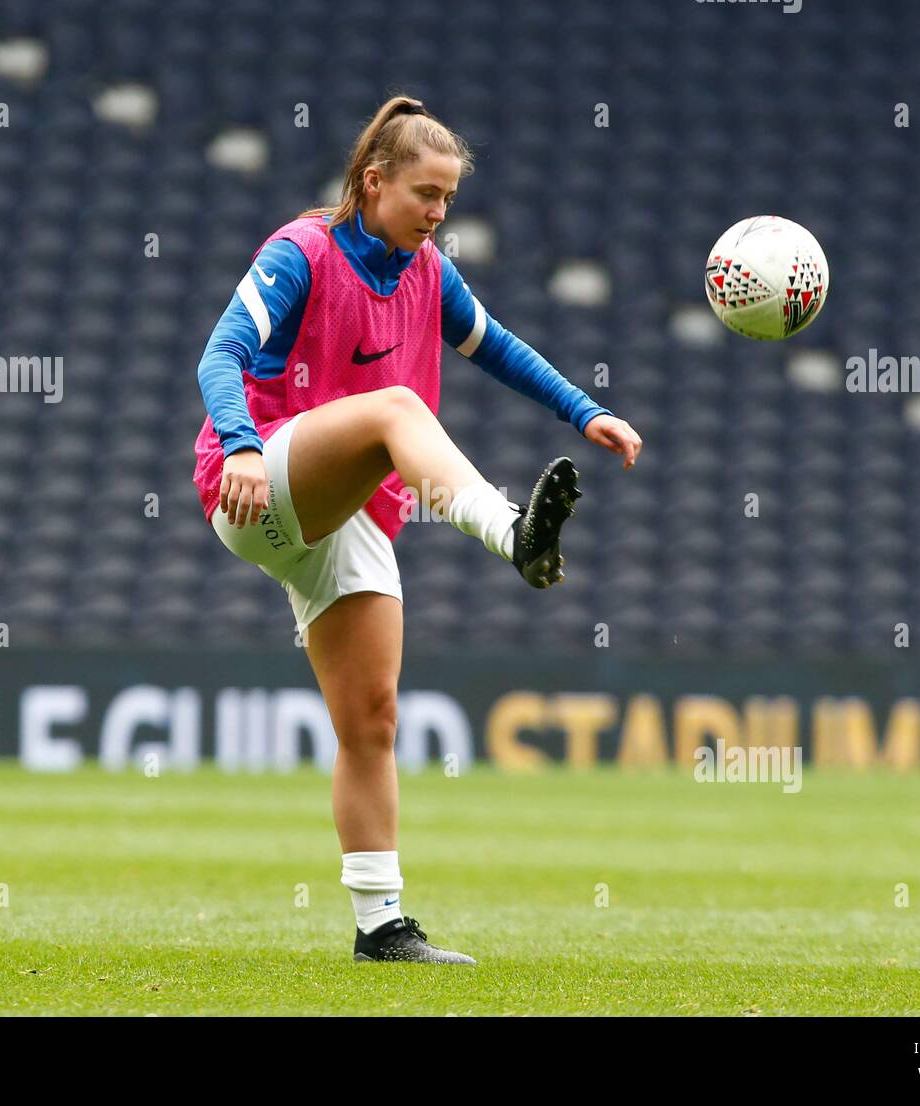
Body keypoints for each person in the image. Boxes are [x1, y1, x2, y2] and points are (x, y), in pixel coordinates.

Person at [193, 94, 643, 963]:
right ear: (373, 182)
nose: (438, 215)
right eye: (425, 195)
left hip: (345, 512)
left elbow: (498, 346)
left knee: (371, 719)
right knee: (395, 405)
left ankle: (381, 927)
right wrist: (244, 448)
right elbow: (221, 355)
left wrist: (584, 412)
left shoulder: (428, 270)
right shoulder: (303, 252)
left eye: (448, 200)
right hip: (255, 481)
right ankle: (511, 534)